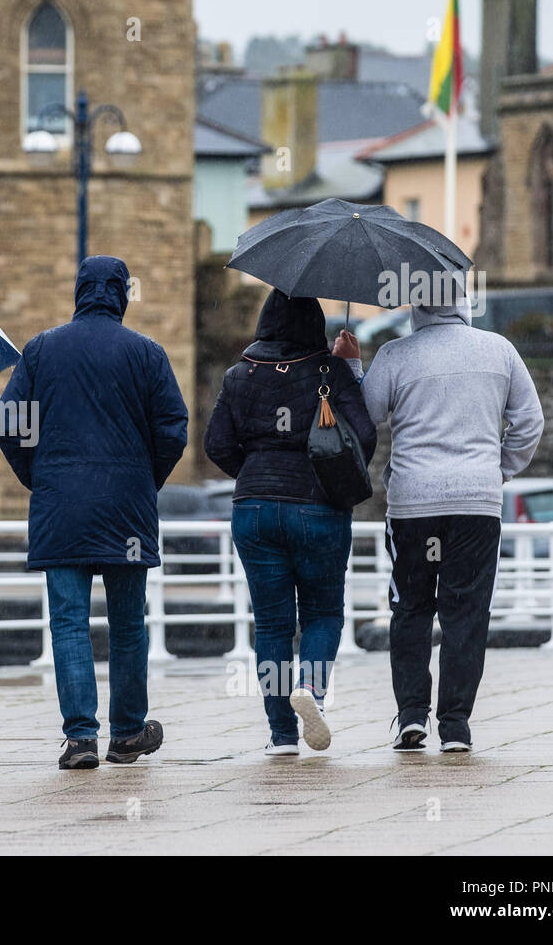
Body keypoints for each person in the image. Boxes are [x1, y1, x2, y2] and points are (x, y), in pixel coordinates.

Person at [0, 255, 189, 770]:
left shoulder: (40, 350)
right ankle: (127, 734)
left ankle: (81, 737)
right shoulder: (147, 353)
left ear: (79, 291)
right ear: (122, 293)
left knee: (69, 623)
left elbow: (8, 422)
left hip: (62, 508)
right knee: (128, 625)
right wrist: (145, 478)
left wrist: (40, 477)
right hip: (126, 508)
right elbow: (173, 428)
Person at [333, 297, 543, 753]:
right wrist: (497, 469)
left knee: (410, 608)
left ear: (418, 306)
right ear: (464, 304)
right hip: (477, 503)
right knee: (465, 613)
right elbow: (529, 421)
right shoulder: (500, 350)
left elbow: (363, 422)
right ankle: (455, 726)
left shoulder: (395, 354)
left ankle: (412, 716)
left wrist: (349, 370)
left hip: (413, 504)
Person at [204, 290, 376, 756]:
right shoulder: (330, 372)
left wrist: (259, 474)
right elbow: (363, 435)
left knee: (273, 625)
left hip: (254, 511)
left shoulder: (238, 375)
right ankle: (312, 689)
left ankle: (281, 734)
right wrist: (347, 370)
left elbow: (216, 443)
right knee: (322, 613)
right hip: (318, 507)